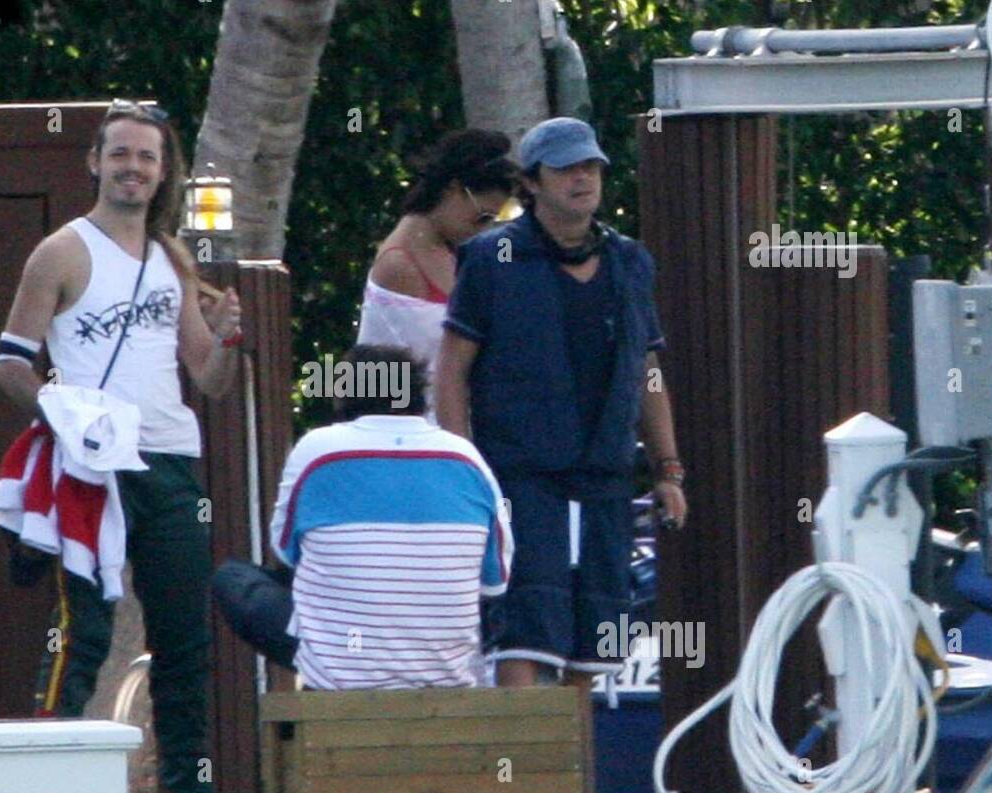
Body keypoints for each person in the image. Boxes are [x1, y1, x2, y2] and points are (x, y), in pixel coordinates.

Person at [0, 100, 254, 793]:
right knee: (86, 630)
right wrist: (62, 413)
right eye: (121, 154)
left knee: (185, 636)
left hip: (170, 457)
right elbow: (10, 359)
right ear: (95, 162)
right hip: (93, 463)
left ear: (163, 170)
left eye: (147, 157)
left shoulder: (172, 258)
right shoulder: (61, 252)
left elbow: (207, 375)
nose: (133, 168)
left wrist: (230, 338)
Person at [436, 117, 687, 690]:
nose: (583, 178)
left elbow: (648, 372)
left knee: (596, 641)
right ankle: (522, 778)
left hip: (605, 473)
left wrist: (668, 469)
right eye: (566, 168)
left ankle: (575, 777)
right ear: (532, 182)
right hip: (519, 473)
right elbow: (452, 371)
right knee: (524, 627)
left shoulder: (629, 261)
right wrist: (463, 469)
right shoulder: (490, 257)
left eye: (591, 166)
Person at [212, 345, 512, 689]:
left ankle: (341, 662)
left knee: (234, 578)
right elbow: (495, 583)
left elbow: (284, 555)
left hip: (342, 670)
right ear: (417, 395)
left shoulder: (317, 450)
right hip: (445, 675)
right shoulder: (467, 458)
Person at [356, 130, 518, 417]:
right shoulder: (399, 267)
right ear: (453, 189)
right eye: (481, 217)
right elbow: (434, 365)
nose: (482, 229)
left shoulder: (454, 251)